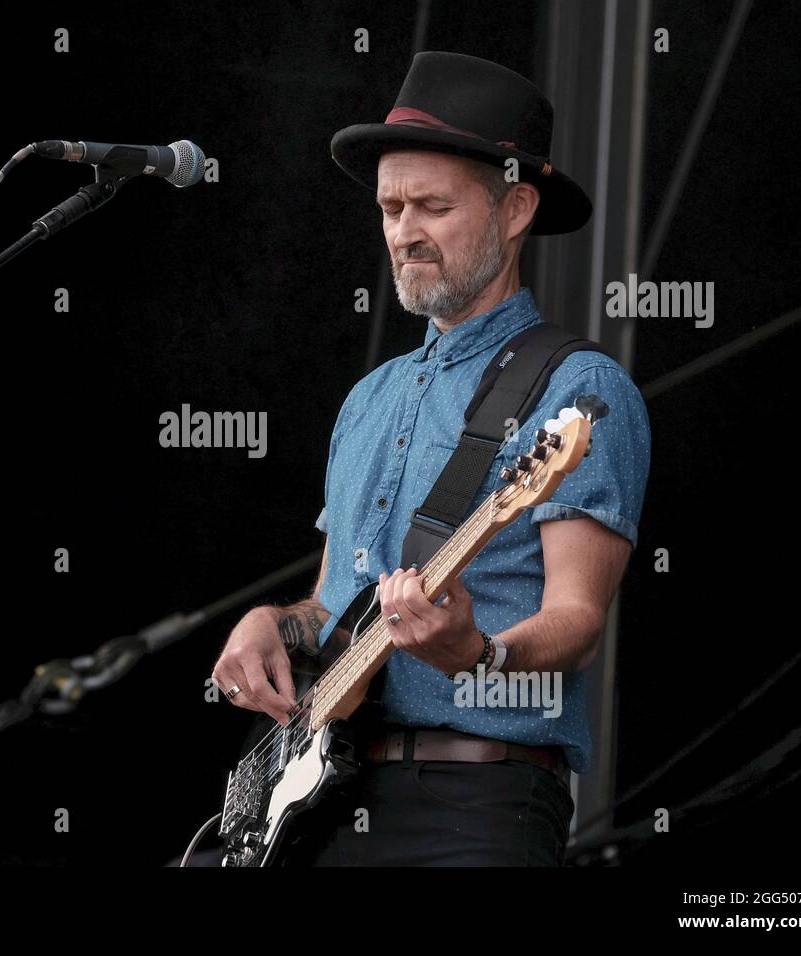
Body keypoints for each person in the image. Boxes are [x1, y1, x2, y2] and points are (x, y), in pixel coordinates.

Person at [210, 51, 651, 866]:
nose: (403, 232)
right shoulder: (367, 398)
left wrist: (477, 656)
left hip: (471, 804)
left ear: (515, 208)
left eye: (431, 207)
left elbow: (578, 621)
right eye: (389, 208)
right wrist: (273, 623)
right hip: (320, 794)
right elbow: (332, 601)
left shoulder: (580, 391)